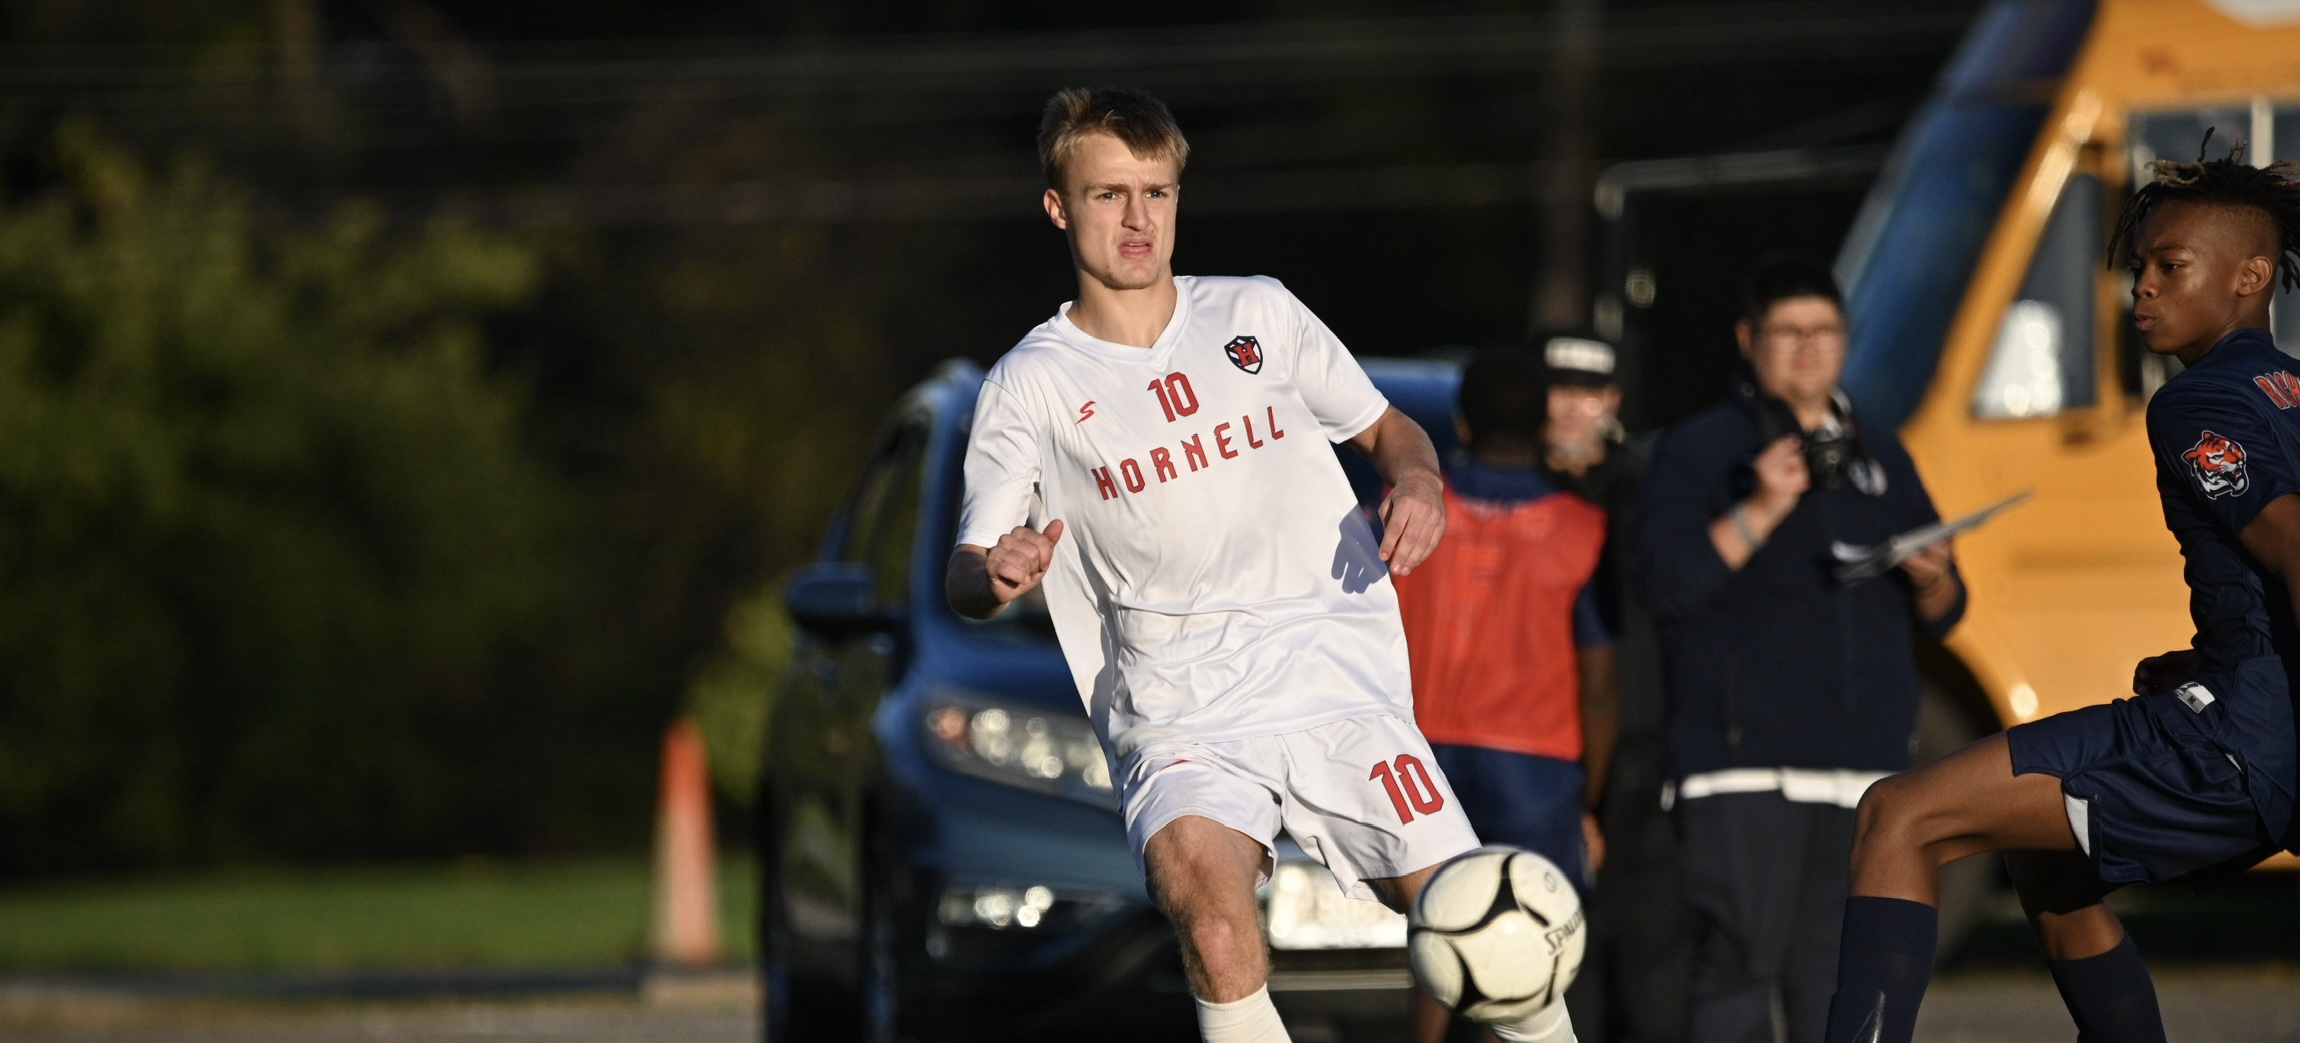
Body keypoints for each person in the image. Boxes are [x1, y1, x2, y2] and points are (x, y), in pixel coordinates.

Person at [944, 87, 1575, 1043]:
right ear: (1058, 206)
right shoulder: (1030, 383)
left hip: (1332, 676)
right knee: (1218, 928)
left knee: (1483, 922)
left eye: (1156, 191)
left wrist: (1421, 482)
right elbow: (968, 567)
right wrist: (994, 574)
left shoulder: (1259, 314)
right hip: (1178, 709)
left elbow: (1391, 429)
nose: (1138, 218)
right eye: (1109, 193)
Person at [1821, 142, 2300, 1043]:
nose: (2141, 288)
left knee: (1900, 812)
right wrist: (2211, 658)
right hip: (2261, 725)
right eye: (2139, 267)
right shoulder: (2291, 391)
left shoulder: (2197, 403)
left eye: (2169, 266)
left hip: (2241, 742)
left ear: (2251, 277)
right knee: (2051, 866)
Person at [1632, 256, 1966, 1043]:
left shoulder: (1880, 452)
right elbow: (1668, 587)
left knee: (1841, 976)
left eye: (1825, 330)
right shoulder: (1701, 449)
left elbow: (1948, 615)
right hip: (1745, 763)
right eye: (1789, 332)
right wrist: (1762, 506)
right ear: (1749, 340)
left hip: (1866, 766)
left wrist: (1932, 578)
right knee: (1737, 969)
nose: (1809, 348)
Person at [1394, 344, 1620, 1043]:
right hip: (1536, 763)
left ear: (1460, 425)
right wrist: (1590, 797)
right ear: (1546, 424)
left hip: (1423, 752)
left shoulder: (1401, 508)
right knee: (1521, 941)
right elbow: (1601, 682)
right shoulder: (1584, 529)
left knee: (1437, 927)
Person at [1532, 334, 1688, 1043]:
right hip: (1535, 750)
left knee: (1651, 952)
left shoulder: (1650, 492)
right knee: (1551, 957)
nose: (1571, 406)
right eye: (1558, 389)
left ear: (1614, 401)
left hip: (1641, 751)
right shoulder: (1513, 488)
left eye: (1588, 391)